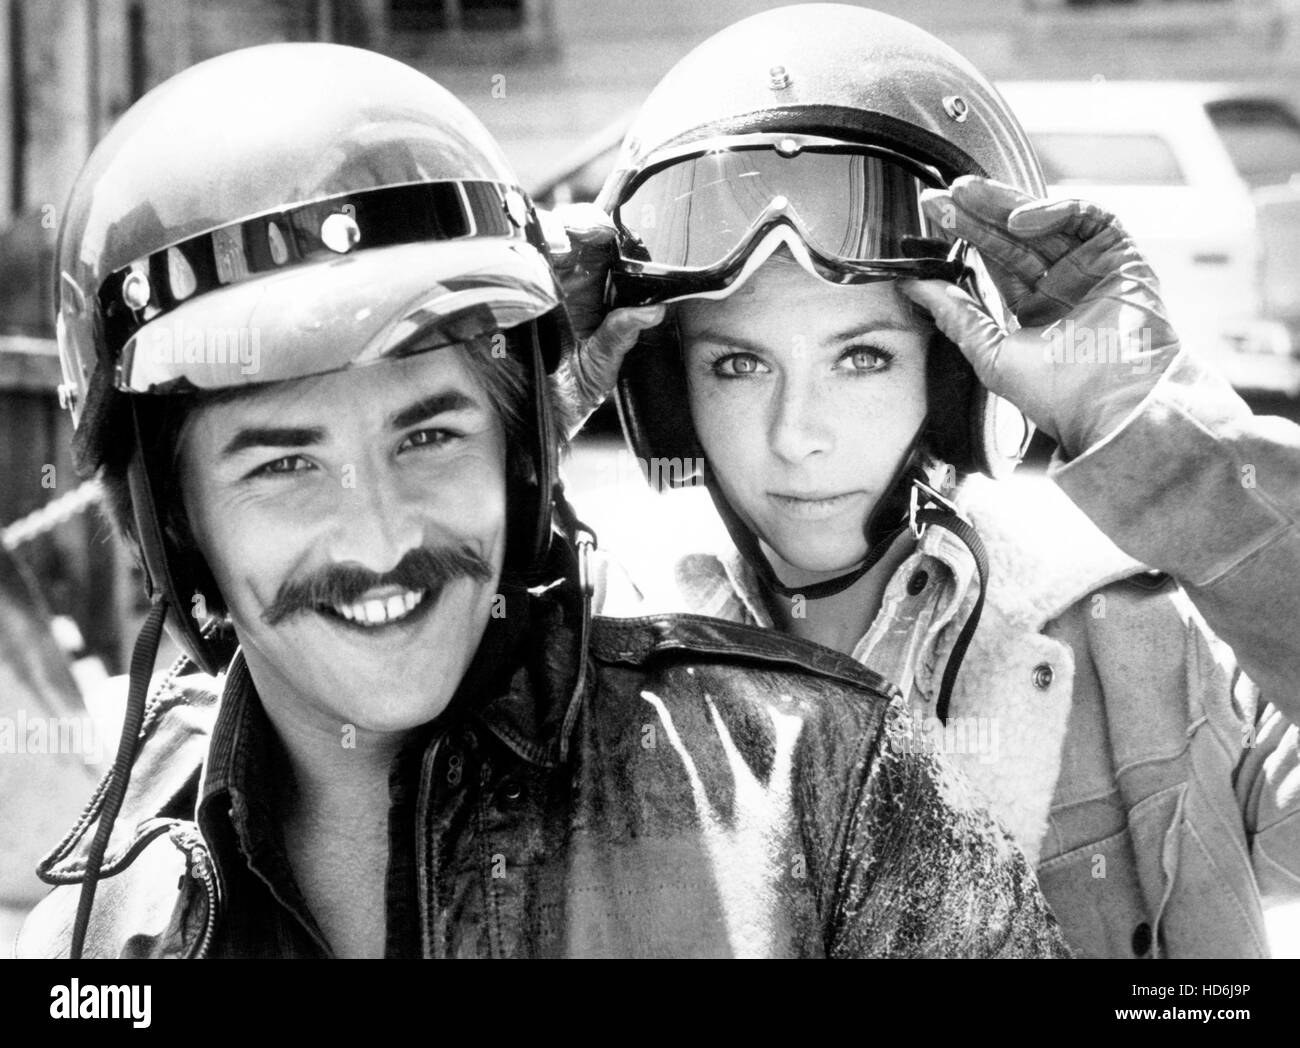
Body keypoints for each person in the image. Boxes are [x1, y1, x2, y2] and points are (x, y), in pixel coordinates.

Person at [13, 42, 1068, 959]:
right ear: (172, 521)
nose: (381, 537)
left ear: (520, 454)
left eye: (429, 435)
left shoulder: (818, 787)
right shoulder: (104, 927)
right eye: (283, 464)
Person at [555, 4, 1300, 958]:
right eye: (737, 365)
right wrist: (510, 445)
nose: (799, 436)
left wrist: (1161, 433)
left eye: (861, 358)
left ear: (949, 376)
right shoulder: (597, 671)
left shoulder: (1138, 652)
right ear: (666, 392)